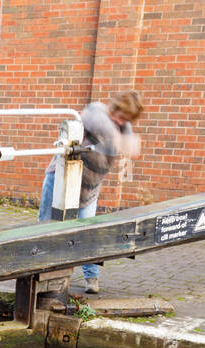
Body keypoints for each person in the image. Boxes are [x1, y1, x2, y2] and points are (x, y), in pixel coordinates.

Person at [38, 90, 142, 294]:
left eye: (126, 121)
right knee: (46, 227)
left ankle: (91, 277)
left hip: (89, 189)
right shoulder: (96, 112)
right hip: (60, 179)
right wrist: (124, 139)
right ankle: (40, 271)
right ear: (116, 109)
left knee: (88, 234)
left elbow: (133, 148)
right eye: (121, 117)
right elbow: (112, 137)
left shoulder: (121, 125)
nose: (122, 123)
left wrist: (126, 132)